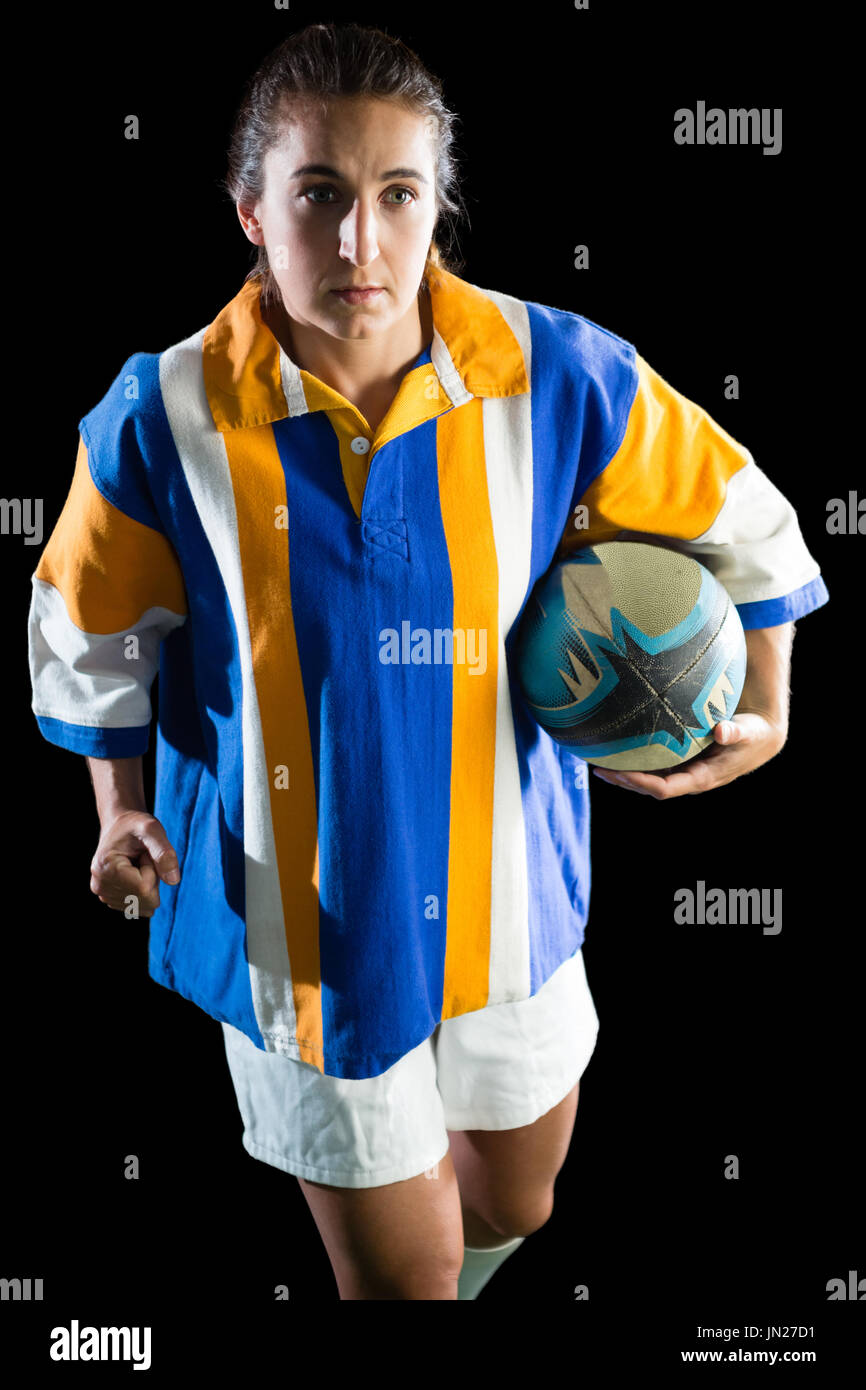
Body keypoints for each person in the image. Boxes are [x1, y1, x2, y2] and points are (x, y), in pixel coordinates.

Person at [27, 22, 829, 1301]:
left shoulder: (553, 373)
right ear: (249, 211)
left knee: (516, 1197)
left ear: (436, 205)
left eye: (397, 196)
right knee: (407, 1281)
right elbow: (90, 634)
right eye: (319, 196)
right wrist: (120, 807)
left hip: (514, 894)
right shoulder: (163, 415)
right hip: (304, 929)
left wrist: (770, 705)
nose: (360, 243)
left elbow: (745, 520)